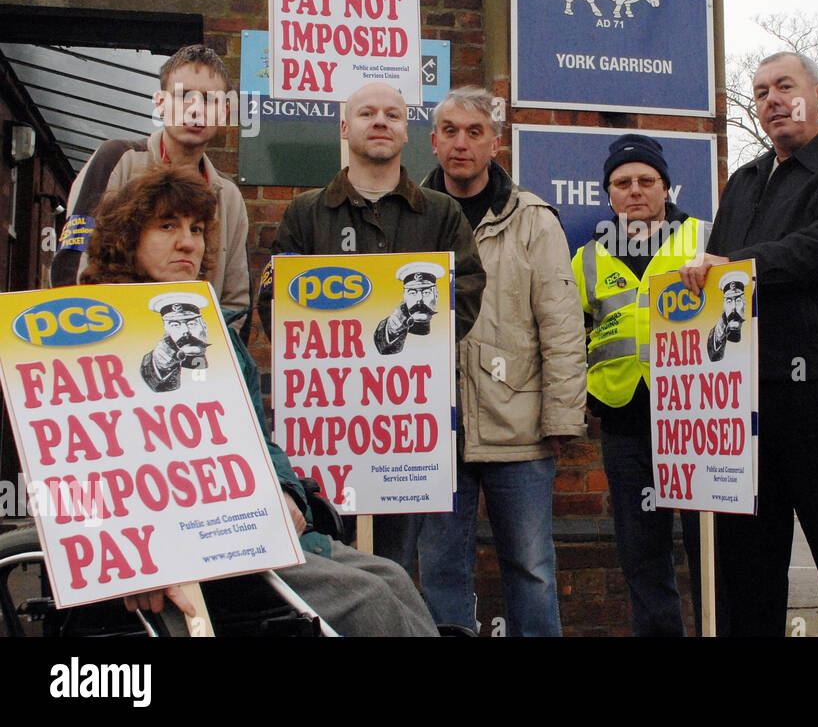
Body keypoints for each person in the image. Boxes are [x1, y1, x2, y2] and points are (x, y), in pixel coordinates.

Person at [81, 165, 437, 636]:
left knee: (392, 578)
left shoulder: (221, 340)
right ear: (128, 237)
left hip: (246, 532)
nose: (188, 242)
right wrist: (130, 560)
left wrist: (288, 492)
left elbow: (259, 441)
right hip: (175, 551)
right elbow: (82, 460)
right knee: (369, 603)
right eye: (167, 227)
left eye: (196, 229)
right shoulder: (93, 338)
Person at [678, 52, 818, 637]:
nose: (772, 100)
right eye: (759, 92)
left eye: (785, 86)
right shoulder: (745, 182)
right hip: (747, 402)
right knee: (744, 576)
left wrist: (737, 267)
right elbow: (720, 280)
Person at [259, 81, 485, 570]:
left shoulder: (442, 215)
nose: (380, 121)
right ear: (345, 128)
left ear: (407, 132)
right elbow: (273, 304)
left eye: (392, 114)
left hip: (407, 421)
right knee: (325, 564)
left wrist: (402, 347)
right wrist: (343, 353)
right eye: (366, 113)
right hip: (324, 422)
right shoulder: (305, 213)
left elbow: (466, 294)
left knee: (396, 565)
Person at [409, 87, 585, 637]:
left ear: (495, 142)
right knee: (439, 569)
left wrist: (560, 419)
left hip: (520, 425)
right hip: (433, 428)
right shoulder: (409, 217)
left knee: (531, 569)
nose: (462, 143)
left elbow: (562, 325)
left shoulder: (533, 219)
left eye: (475, 131)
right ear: (434, 141)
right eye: (451, 131)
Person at [572, 134, 712, 636]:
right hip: (626, 420)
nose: (635, 190)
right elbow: (573, 334)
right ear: (608, 194)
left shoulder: (707, 238)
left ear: (666, 187)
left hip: (702, 418)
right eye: (622, 182)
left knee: (712, 548)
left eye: (646, 180)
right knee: (642, 553)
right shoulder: (586, 258)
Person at [52, 44, 251, 325]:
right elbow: (72, 265)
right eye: (183, 96)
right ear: (160, 103)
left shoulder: (229, 196)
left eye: (209, 100)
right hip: (114, 339)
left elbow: (236, 301)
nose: (196, 109)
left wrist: (217, 354)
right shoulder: (118, 159)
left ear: (225, 111)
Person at [706, 270, 749, 362]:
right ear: (724, 305)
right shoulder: (718, 330)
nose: (733, 308)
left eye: (738, 301)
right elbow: (714, 356)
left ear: (744, 303)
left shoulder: (752, 323)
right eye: (729, 302)